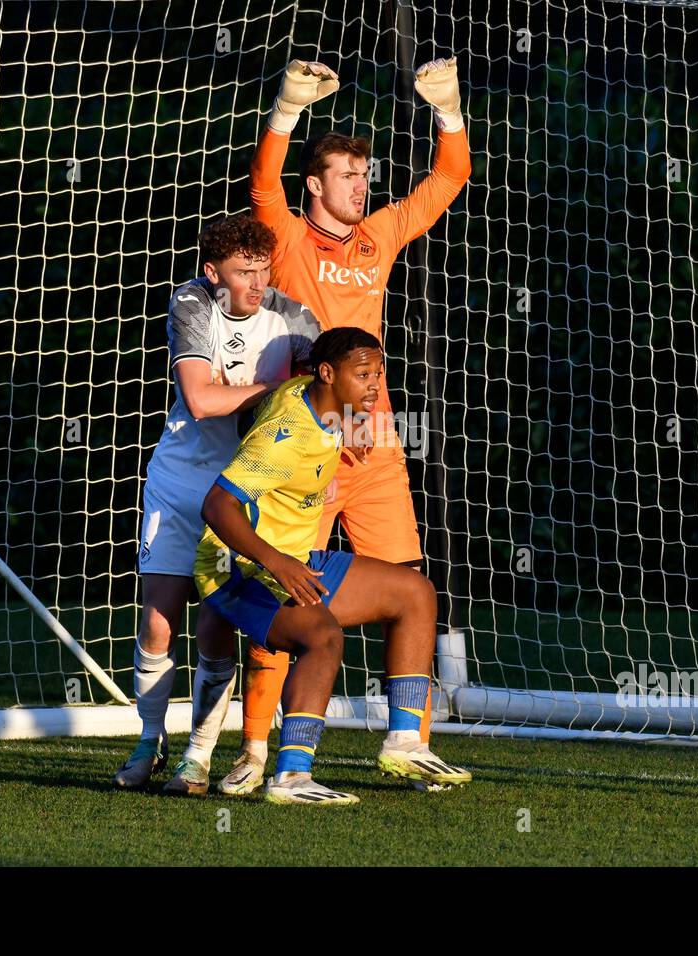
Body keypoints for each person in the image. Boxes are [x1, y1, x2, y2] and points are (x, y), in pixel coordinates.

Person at [216, 55, 472, 795]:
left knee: (407, 587)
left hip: (377, 446)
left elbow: (448, 180)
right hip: (305, 450)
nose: (363, 186)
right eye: (348, 175)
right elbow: (263, 184)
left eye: (365, 174)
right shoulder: (290, 241)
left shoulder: (380, 238)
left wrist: (449, 111)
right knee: (284, 594)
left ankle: (411, 747)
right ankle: (257, 752)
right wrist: (287, 109)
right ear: (317, 186)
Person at [193, 327, 471, 804]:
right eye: (363, 374)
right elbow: (217, 506)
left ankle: (405, 743)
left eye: (379, 374)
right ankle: (291, 777)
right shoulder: (286, 438)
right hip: (236, 568)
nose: (374, 386)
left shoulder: (320, 400)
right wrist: (277, 561)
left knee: (414, 593)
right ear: (327, 373)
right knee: (322, 636)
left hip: (294, 558)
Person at [112, 214, 319, 794]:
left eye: (263, 270)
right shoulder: (191, 302)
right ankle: (149, 742)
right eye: (242, 272)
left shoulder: (295, 319)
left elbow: (319, 400)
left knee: (215, 624)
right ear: (212, 272)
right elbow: (201, 401)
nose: (257, 284)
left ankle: (197, 758)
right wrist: (281, 391)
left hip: (242, 487)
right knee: (158, 620)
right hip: (180, 477)